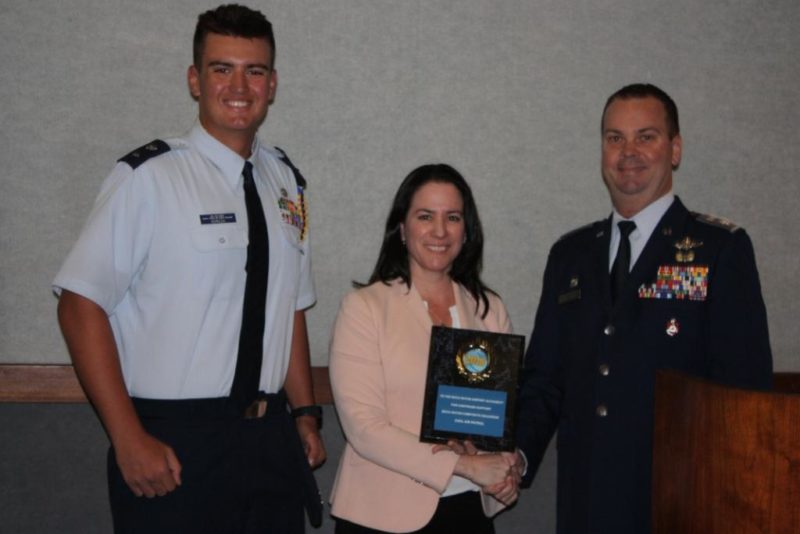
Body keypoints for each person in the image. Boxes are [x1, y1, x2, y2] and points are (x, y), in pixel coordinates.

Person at [53, 5, 324, 533]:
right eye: (222, 68)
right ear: (195, 80)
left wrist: (306, 414)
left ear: (273, 84)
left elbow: (287, 306)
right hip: (175, 441)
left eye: (255, 70)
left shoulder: (286, 182)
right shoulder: (149, 178)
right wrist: (127, 438)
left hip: (269, 441)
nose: (239, 85)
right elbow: (79, 305)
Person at [516, 83, 773, 533]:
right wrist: (515, 455)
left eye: (646, 136)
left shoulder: (720, 250)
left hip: (678, 503)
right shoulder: (569, 255)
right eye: (615, 138)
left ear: (674, 149)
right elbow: (545, 380)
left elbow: (744, 400)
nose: (628, 151)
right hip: (586, 504)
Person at [328, 164, 520, 534]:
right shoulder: (364, 307)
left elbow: (500, 422)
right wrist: (464, 466)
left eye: (453, 217)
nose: (439, 231)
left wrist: (506, 469)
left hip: (469, 510)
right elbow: (364, 429)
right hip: (382, 514)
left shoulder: (488, 309)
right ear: (402, 228)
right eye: (425, 216)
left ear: (467, 231)